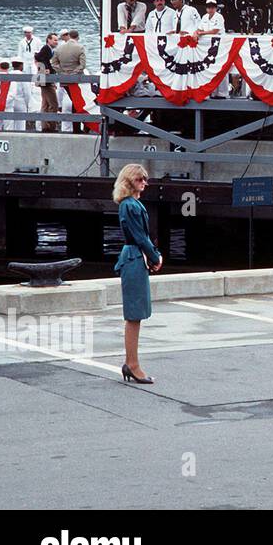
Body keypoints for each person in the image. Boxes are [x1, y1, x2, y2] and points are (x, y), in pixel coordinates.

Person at [113, 163, 162, 385]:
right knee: (134, 314)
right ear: (129, 181)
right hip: (134, 257)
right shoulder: (130, 205)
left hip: (135, 257)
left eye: (145, 179)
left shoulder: (131, 204)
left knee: (137, 314)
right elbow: (140, 237)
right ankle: (132, 365)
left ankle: (131, 363)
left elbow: (142, 237)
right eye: (139, 179)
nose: (144, 183)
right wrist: (155, 257)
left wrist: (152, 255)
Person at [50, 30, 86, 134]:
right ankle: (77, 127)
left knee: (74, 101)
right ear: (78, 37)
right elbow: (82, 65)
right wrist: (75, 72)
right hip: (76, 79)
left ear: (69, 36)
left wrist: (62, 71)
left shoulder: (59, 48)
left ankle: (76, 127)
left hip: (64, 79)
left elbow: (53, 63)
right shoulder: (80, 47)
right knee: (77, 102)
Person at [34, 32, 58, 133]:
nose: (56, 42)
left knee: (45, 104)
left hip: (45, 80)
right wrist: (45, 69)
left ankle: (45, 126)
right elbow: (37, 57)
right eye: (55, 40)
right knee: (54, 104)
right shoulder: (46, 48)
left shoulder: (49, 49)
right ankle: (50, 126)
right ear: (48, 40)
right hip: (46, 81)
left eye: (57, 40)